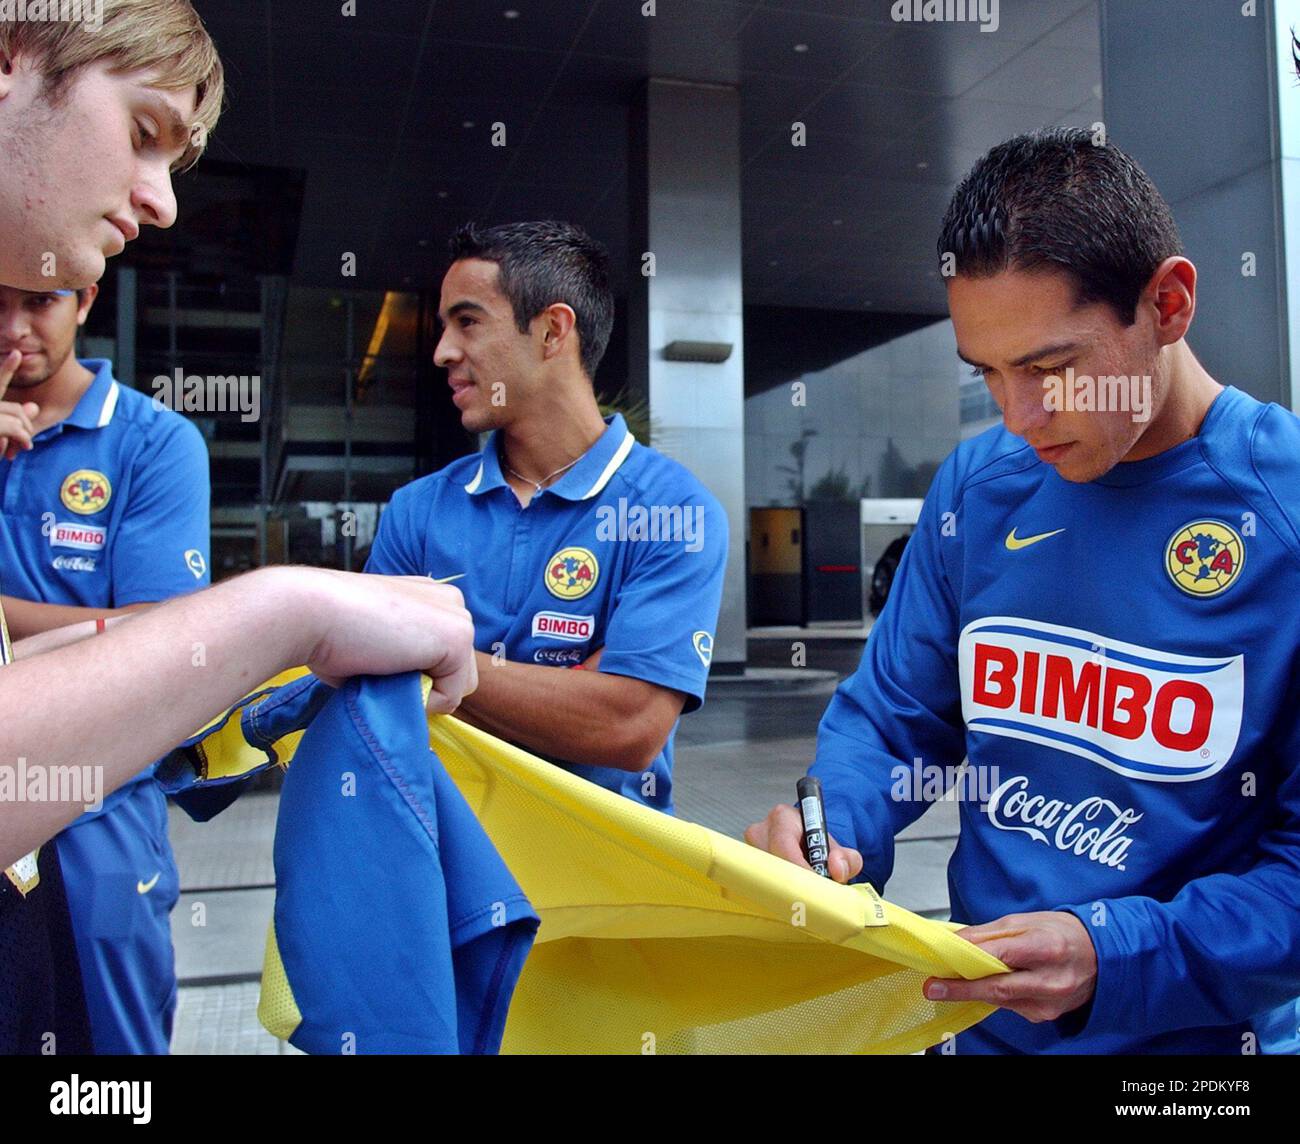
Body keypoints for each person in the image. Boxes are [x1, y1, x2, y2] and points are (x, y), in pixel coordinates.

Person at [746, 128, 1300, 1054]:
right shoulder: (978, 488)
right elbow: (891, 721)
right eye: (988, 374)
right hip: (980, 1032)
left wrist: (1112, 951)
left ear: (1167, 303)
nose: (1019, 418)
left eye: (1051, 369)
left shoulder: (1281, 510)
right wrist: (831, 831)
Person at [0, 1, 477, 1054]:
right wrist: (289, 611)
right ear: (10, 61)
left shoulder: (148, 442)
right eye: (142, 131)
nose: (162, 203)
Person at [364, 221, 727, 813]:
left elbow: (627, 727)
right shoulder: (418, 510)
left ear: (552, 331)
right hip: (439, 870)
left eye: (468, 321)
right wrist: (568, 691)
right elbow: (373, 687)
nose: (442, 352)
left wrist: (431, 657)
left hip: (601, 883)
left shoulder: (672, 511)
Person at [0, 282, 212, 1053]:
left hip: (92, 810)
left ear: (86, 297)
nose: (14, 328)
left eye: (40, 301)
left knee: (105, 1076)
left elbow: (166, 637)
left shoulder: (152, 441)